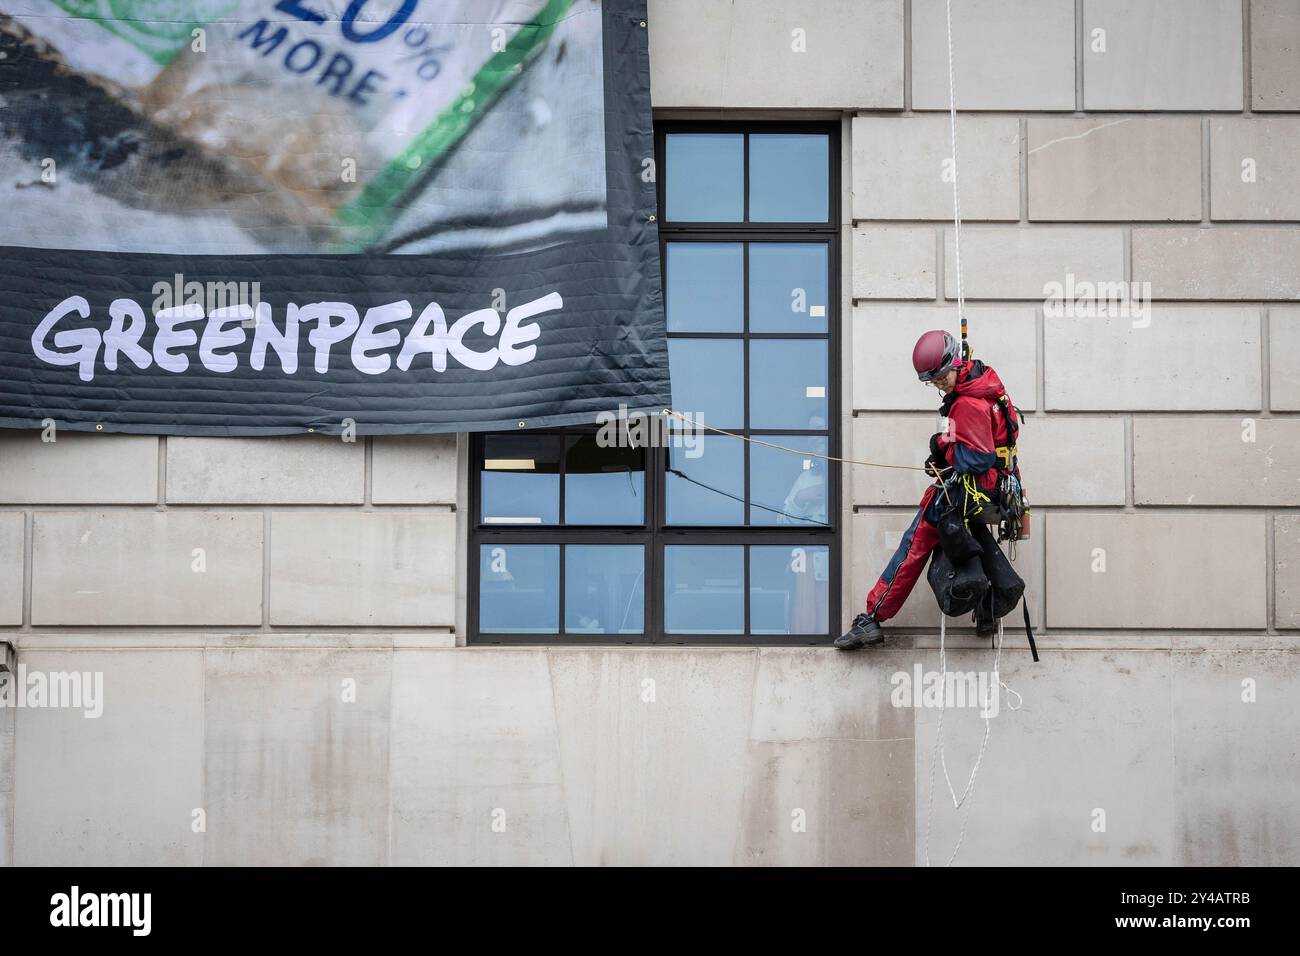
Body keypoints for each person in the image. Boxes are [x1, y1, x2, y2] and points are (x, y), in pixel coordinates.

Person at [836, 329, 1022, 650]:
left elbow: (975, 458)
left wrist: (941, 448)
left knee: (914, 546)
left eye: (939, 377)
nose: (938, 384)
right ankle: (988, 608)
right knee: (972, 540)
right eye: (931, 381)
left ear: (952, 362)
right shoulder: (986, 384)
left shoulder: (967, 403)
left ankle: (872, 617)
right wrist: (944, 445)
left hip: (962, 490)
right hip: (994, 490)